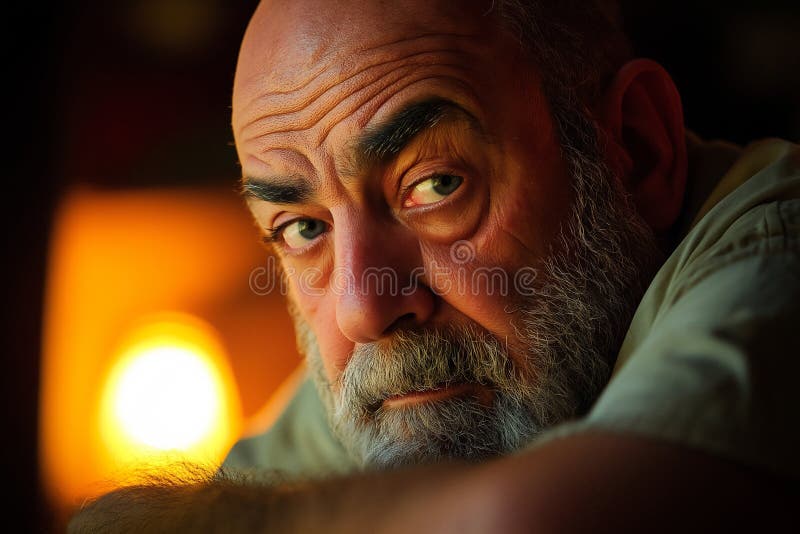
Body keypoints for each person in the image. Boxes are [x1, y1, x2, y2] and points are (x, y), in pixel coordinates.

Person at [70, 0, 799, 531]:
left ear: (636, 150)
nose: (364, 308)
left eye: (435, 184)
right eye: (303, 228)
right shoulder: (418, 372)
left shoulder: (775, 246)